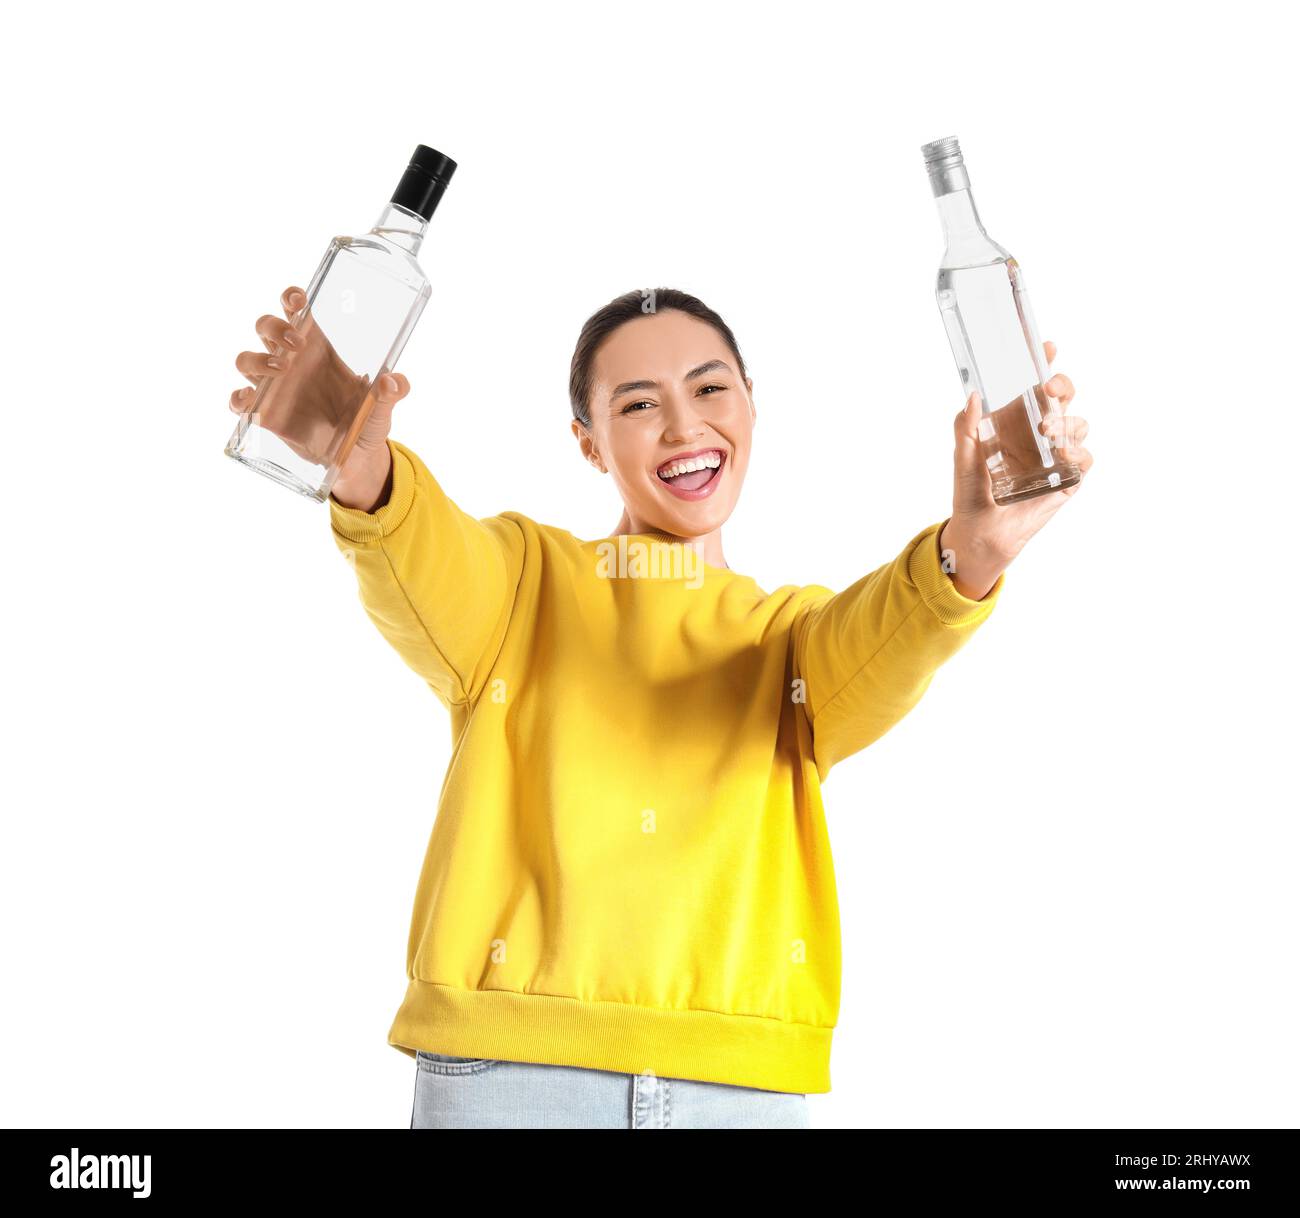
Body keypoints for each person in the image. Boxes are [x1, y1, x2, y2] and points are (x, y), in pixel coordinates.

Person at [228, 284, 1091, 1129]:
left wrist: (972, 552)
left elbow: (890, 634)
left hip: (740, 1091)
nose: (685, 427)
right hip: (512, 1081)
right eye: (639, 403)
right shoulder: (525, 582)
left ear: (752, 404)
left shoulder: (790, 641)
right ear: (590, 444)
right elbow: (420, 552)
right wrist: (361, 462)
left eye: (711, 387)